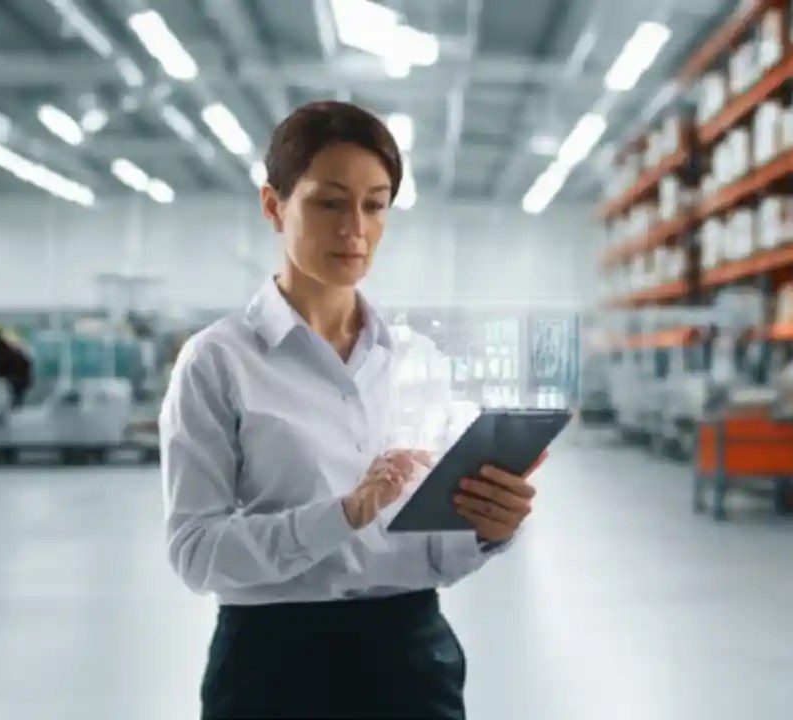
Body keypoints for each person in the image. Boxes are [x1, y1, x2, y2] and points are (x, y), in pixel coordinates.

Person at [158, 100, 545, 719]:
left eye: (374, 203)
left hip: (411, 658)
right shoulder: (217, 362)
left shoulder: (417, 359)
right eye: (329, 202)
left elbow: (433, 553)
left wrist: (487, 529)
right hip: (272, 666)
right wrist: (340, 515)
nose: (355, 228)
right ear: (273, 206)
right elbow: (197, 552)